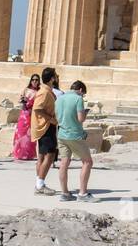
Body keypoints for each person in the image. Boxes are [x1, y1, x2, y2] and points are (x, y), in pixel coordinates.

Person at [56, 81, 95, 202]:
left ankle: (65, 193)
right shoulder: (78, 99)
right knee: (87, 162)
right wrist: (85, 112)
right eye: (83, 94)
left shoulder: (59, 99)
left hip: (62, 134)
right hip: (75, 135)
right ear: (81, 90)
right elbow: (80, 118)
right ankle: (82, 194)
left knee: (64, 163)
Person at [31, 67, 60, 196]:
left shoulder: (47, 91)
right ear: (52, 78)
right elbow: (37, 108)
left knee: (43, 157)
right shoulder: (44, 92)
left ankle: (39, 183)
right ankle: (40, 185)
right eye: (56, 75)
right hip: (46, 126)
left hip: (46, 126)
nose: (57, 77)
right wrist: (51, 119)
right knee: (49, 156)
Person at [12, 74, 40, 161]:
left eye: (36, 80)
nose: (34, 81)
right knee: (21, 133)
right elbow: (20, 99)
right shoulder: (26, 89)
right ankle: (20, 153)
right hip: (24, 114)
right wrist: (24, 101)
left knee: (30, 134)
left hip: (33, 114)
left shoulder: (40, 91)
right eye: (33, 79)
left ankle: (29, 154)